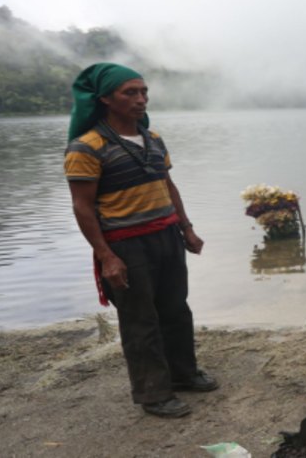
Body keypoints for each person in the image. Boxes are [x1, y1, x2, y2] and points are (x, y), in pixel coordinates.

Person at [64, 63, 218, 417]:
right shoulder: (86, 147)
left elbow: (167, 185)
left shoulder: (153, 139)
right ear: (105, 99)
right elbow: (82, 207)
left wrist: (186, 228)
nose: (140, 99)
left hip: (166, 235)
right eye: (129, 93)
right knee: (140, 320)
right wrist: (106, 256)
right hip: (126, 244)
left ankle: (183, 374)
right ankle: (153, 394)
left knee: (176, 309)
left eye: (144, 92)